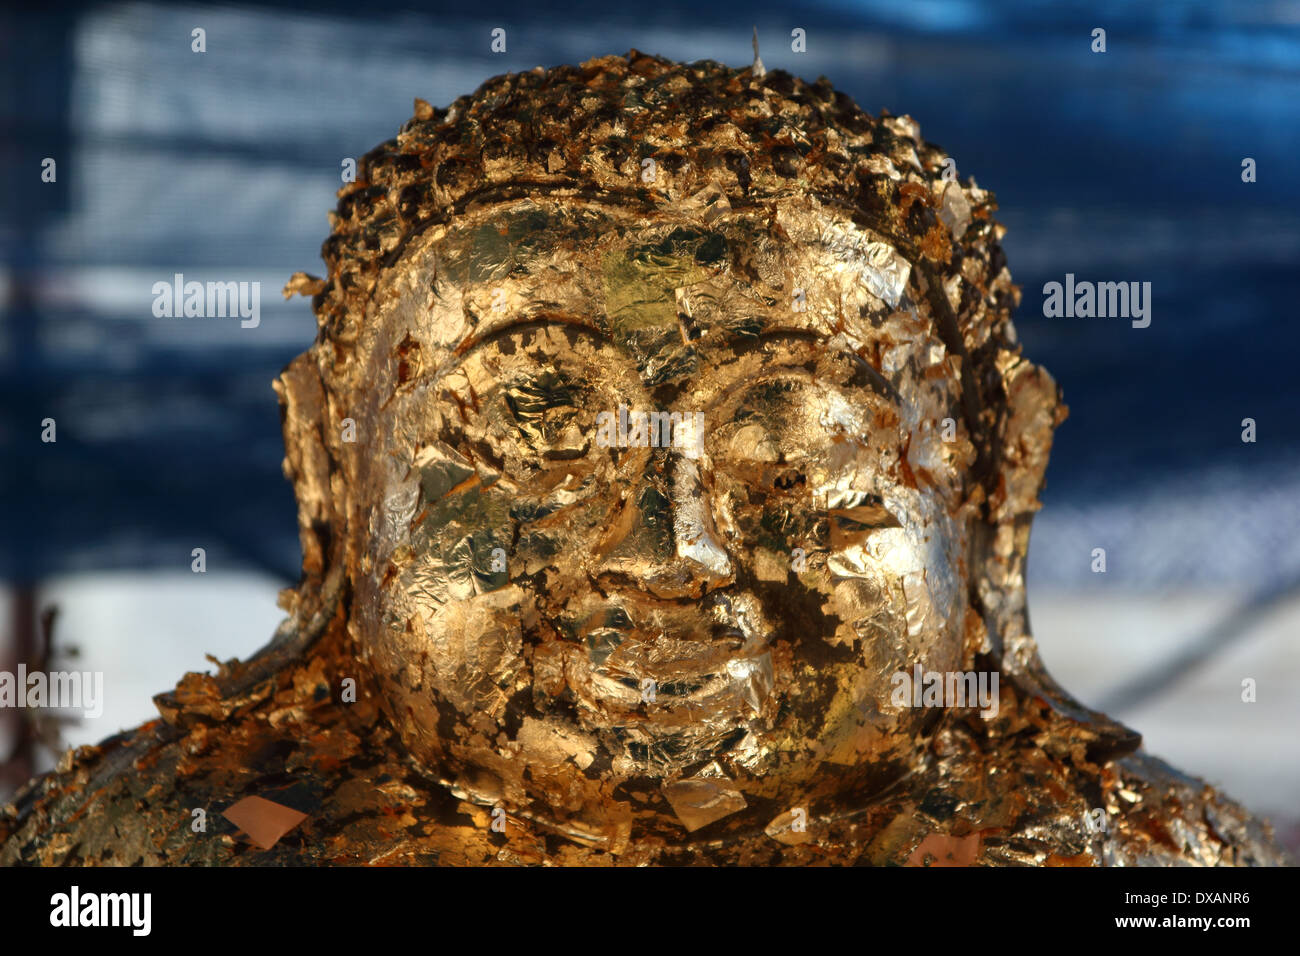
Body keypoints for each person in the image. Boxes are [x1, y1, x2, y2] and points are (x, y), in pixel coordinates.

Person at [1, 51, 1285, 866]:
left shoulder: (1142, 872)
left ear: (996, 487)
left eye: (793, 448)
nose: (665, 554)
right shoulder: (147, 858)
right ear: (328, 475)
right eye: (535, 434)